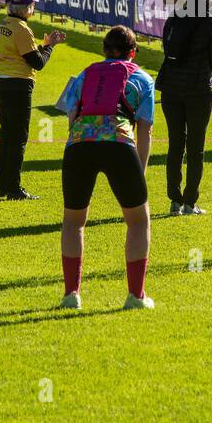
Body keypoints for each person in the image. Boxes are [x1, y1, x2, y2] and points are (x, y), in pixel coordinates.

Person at [58, 25, 156, 311]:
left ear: (103, 51)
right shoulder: (142, 78)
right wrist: (140, 170)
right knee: (138, 220)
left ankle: (71, 294)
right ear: (133, 52)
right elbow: (145, 131)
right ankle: (136, 296)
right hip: (119, 143)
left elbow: (72, 115)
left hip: (78, 144)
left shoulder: (85, 74)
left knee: (73, 221)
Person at [157, 0, 212, 215]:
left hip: (171, 88)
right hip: (198, 89)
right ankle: (189, 202)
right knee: (195, 148)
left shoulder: (175, 16)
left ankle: (175, 200)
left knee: (175, 144)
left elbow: (167, 49)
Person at [0, 0, 66, 200]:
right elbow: (37, 62)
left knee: (6, 137)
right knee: (18, 139)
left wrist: (40, 47)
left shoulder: (5, 23)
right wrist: (50, 45)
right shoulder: (22, 29)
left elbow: (26, 55)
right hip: (18, 86)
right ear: (27, 7)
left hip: (2, 84)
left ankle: (3, 185)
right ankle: (14, 189)